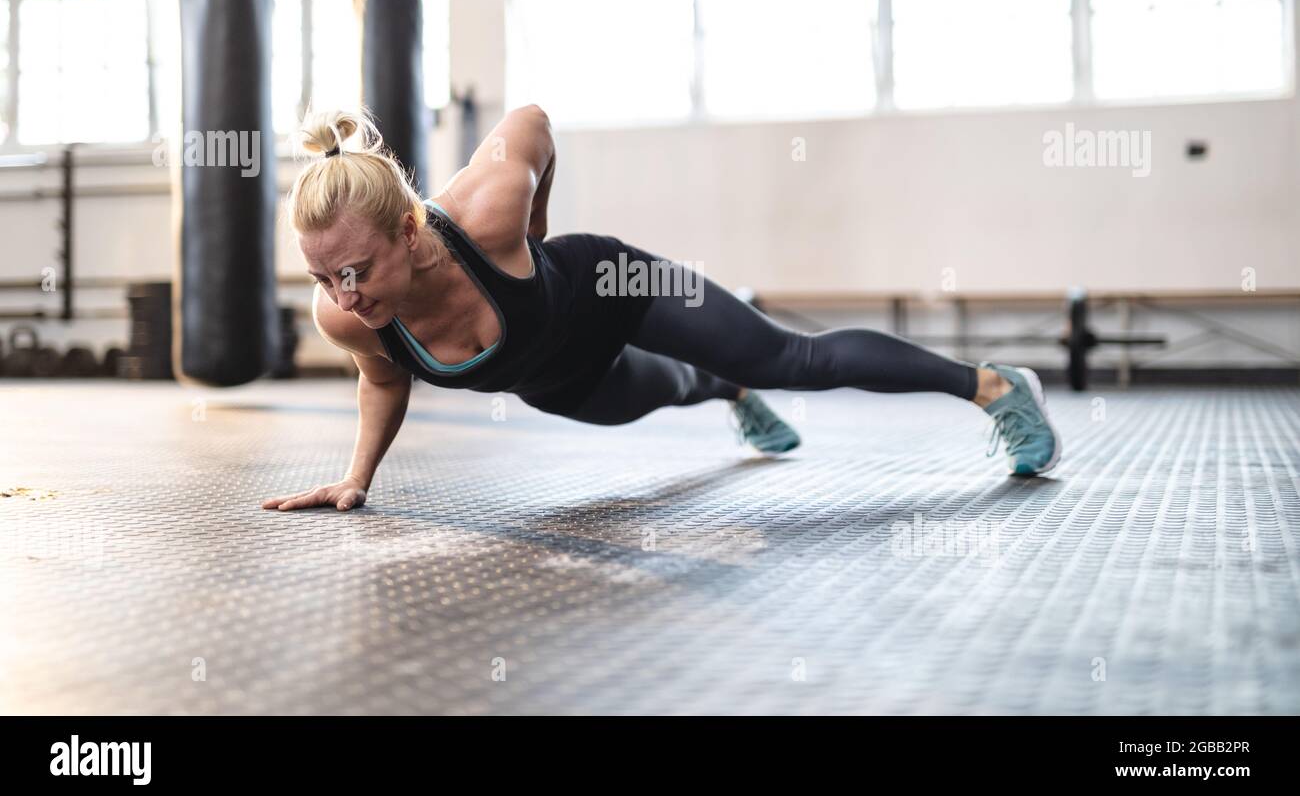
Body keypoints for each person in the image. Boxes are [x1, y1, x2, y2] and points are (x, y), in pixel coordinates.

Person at [262, 106, 1061, 513]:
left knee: (789, 360)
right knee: (666, 394)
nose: (344, 296)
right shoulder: (345, 316)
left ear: (409, 229)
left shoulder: (487, 211)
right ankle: (731, 395)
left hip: (613, 286)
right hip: (551, 374)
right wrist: (354, 480)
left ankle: (994, 387)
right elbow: (383, 381)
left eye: (357, 271)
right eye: (323, 277)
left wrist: (533, 235)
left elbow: (532, 122)